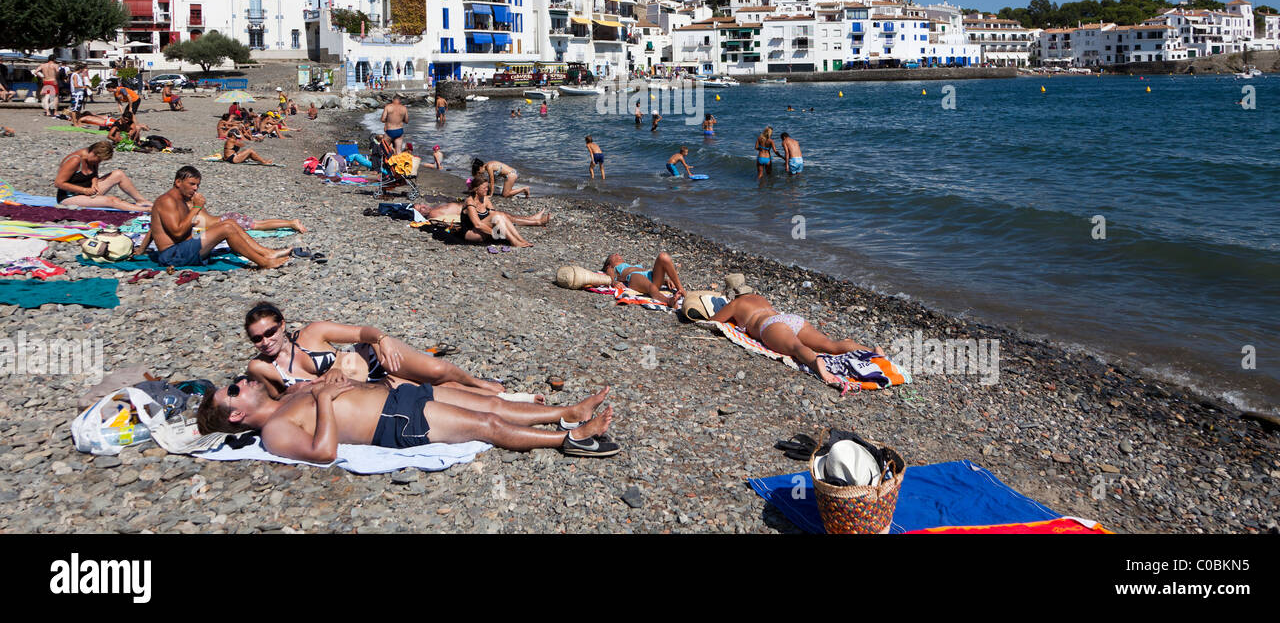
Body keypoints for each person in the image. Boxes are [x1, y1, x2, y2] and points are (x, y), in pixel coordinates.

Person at [196, 372, 619, 461]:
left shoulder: (287, 395)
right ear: (235, 416)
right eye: (233, 391)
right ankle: (569, 438)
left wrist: (330, 381)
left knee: (491, 404)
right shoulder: (274, 431)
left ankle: (569, 411)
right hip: (396, 423)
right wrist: (325, 400)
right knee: (488, 427)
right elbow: (323, 452)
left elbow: (336, 384)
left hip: (397, 396)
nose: (241, 382)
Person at [244, 303, 545, 406]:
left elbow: (364, 333)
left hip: (375, 360)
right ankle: (512, 401)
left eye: (270, 332)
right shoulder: (260, 368)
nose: (266, 341)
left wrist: (383, 340)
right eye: (257, 338)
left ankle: (480, 383)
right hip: (369, 389)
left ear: (282, 325)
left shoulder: (313, 333)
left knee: (439, 371)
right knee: (437, 392)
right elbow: (278, 400)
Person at [146, 165, 299, 269]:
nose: (195, 189)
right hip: (173, 256)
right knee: (226, 227)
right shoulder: (167, 201)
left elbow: (155, 228)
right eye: (192, 184)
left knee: (230, 222)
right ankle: (264, 262)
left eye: (197, 185)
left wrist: (140, 251)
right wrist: (197, 207)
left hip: (183, 250)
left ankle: (266, 252)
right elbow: (177, 232)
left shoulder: (180, 200)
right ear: (178, 182)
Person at [707, 293, 871, 385]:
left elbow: (714, 321)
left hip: (770, 326)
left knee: (796, 348)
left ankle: (816, 363)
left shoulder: (736, 303)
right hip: (791, 319)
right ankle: (871, 351)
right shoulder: (758, 297)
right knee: (830, 345)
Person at [54, 141, 151, 212]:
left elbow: (94, 175)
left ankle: (140, 200)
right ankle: (146, 210)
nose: (98, 162)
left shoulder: (92, 159)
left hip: (88, 190)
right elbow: (58, 183)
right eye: (98, 159)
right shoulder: (75, 160)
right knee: (112, 200)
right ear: (93, 152)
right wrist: (84, 190)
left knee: (118, 174)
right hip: (69, 196)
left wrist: (94, 182)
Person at [459, 176, 547, 247]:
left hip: (483, 231)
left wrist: (500, 229)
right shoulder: (470, 202)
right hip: (471, 233)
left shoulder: (485, 199)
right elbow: (478, 225)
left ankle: (521, 239)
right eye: (484, 188)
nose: (487, 189)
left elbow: (494, 214)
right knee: (498, 215)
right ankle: (514, 241)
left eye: (487, 187)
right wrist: (496, 233)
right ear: (476, 189)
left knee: (500, 215)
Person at [600, 251, 686, 308]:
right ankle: (669, 301)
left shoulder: (629, 265)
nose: (617, 254)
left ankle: (681, 289)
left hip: (650, 275)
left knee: (663, 257)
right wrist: (614, 282)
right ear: (609, 263)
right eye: (613, 255)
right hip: (633, 277)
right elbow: (609, 273)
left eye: (617, 254)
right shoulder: (613, 267)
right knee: (651, 287)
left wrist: (665, 281)